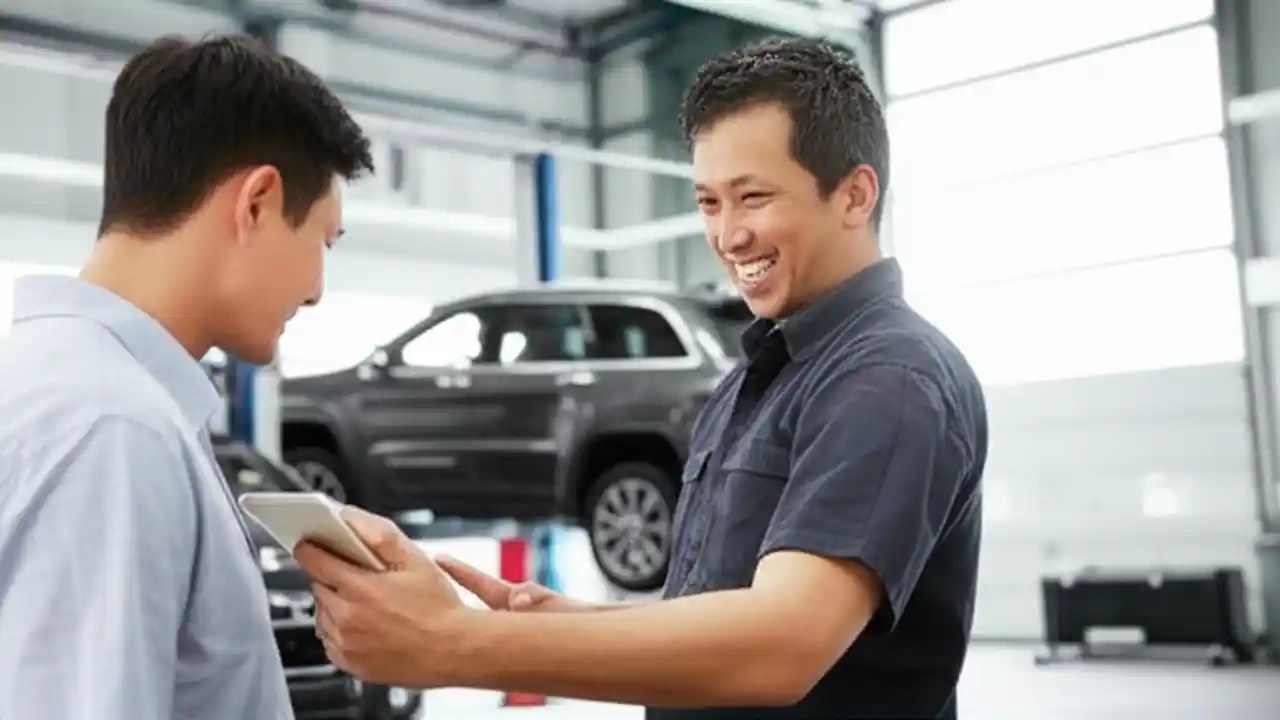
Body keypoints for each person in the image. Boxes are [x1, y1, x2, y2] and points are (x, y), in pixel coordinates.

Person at [296, 36, 986, 719]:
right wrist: (564, 623)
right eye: (710, 203)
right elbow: (720, 613)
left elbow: (783, 643)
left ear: (855, 196)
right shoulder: (754, 382)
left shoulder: (890, 379)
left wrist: (457, 644)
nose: (728, 235)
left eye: (753, 197)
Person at [0, 34, 372, 719]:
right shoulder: (113, 430)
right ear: (257, 202)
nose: (318, 290)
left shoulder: (65, 388)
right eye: (324, 240)